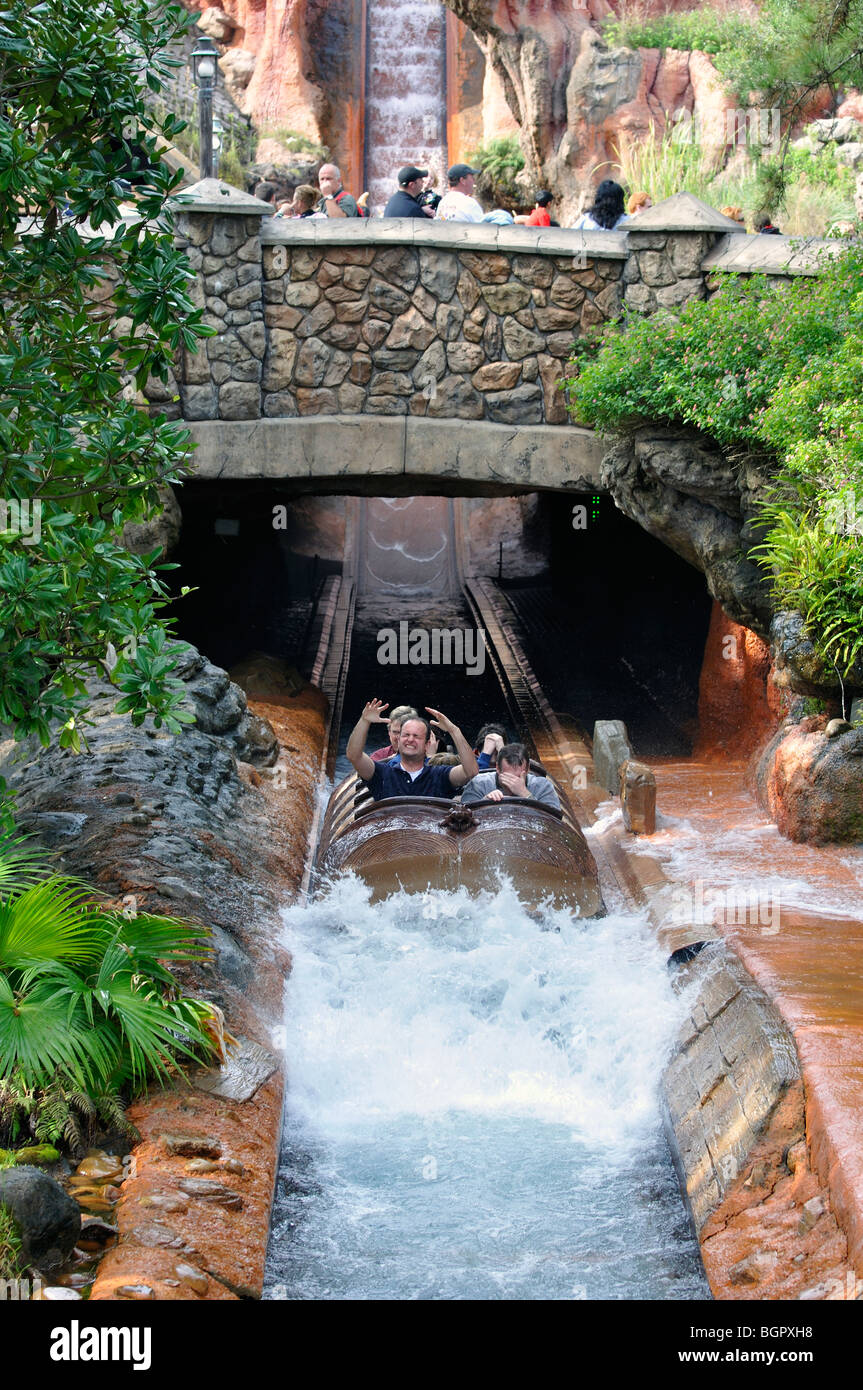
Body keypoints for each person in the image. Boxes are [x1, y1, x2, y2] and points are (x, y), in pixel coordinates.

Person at [347, 700, 478, 800]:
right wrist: (364, 721)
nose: (410, 739)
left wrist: (454, 731)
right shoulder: (382, 773)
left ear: (427, 744)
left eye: (416, 736)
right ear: (398, 740)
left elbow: (470, 771)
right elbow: (354, 756)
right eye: (405, 735)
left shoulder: (440, 775)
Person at [461, 742, 561, 810]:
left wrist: (525, 794)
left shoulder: (543, 786)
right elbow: (463, 818)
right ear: (497, 768)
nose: (513, 783)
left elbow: (554, 822)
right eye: (508, 776)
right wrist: (484, 803)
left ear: (527, 769)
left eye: (518, 777)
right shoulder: (478, 784)